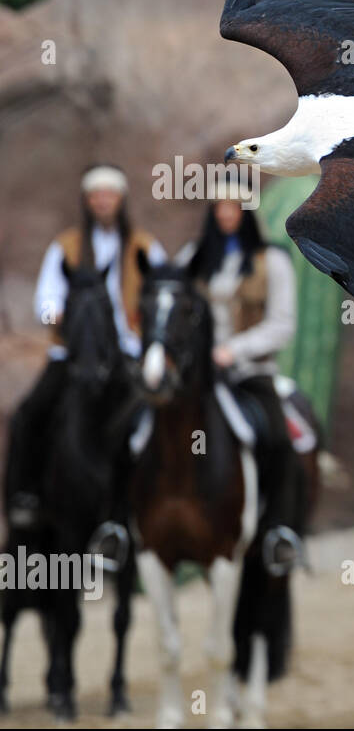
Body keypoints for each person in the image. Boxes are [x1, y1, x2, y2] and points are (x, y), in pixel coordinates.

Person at [4, 165, 166, 532]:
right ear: (87, 201)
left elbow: (160, 295)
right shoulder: (67, 246)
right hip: (73, 353)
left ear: (121, 200)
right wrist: (57, 316)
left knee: (167, 419)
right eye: (97, 195)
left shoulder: (145, 246)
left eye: (110, 195)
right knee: (27, 415)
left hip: (127, 353)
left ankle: (150, 502)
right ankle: (25, 496)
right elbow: (45, 298)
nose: (103, 201)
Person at [175, 189, 304, 572]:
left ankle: (278, 529)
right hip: (197, 375)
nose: (227, 214)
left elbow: (282, 325)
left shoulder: (273, 261)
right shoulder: (191, 258)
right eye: (221, 207)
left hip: (250, 372)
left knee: (279, 440)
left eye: (235, 207)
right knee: (144, 427)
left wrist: (233, 350)